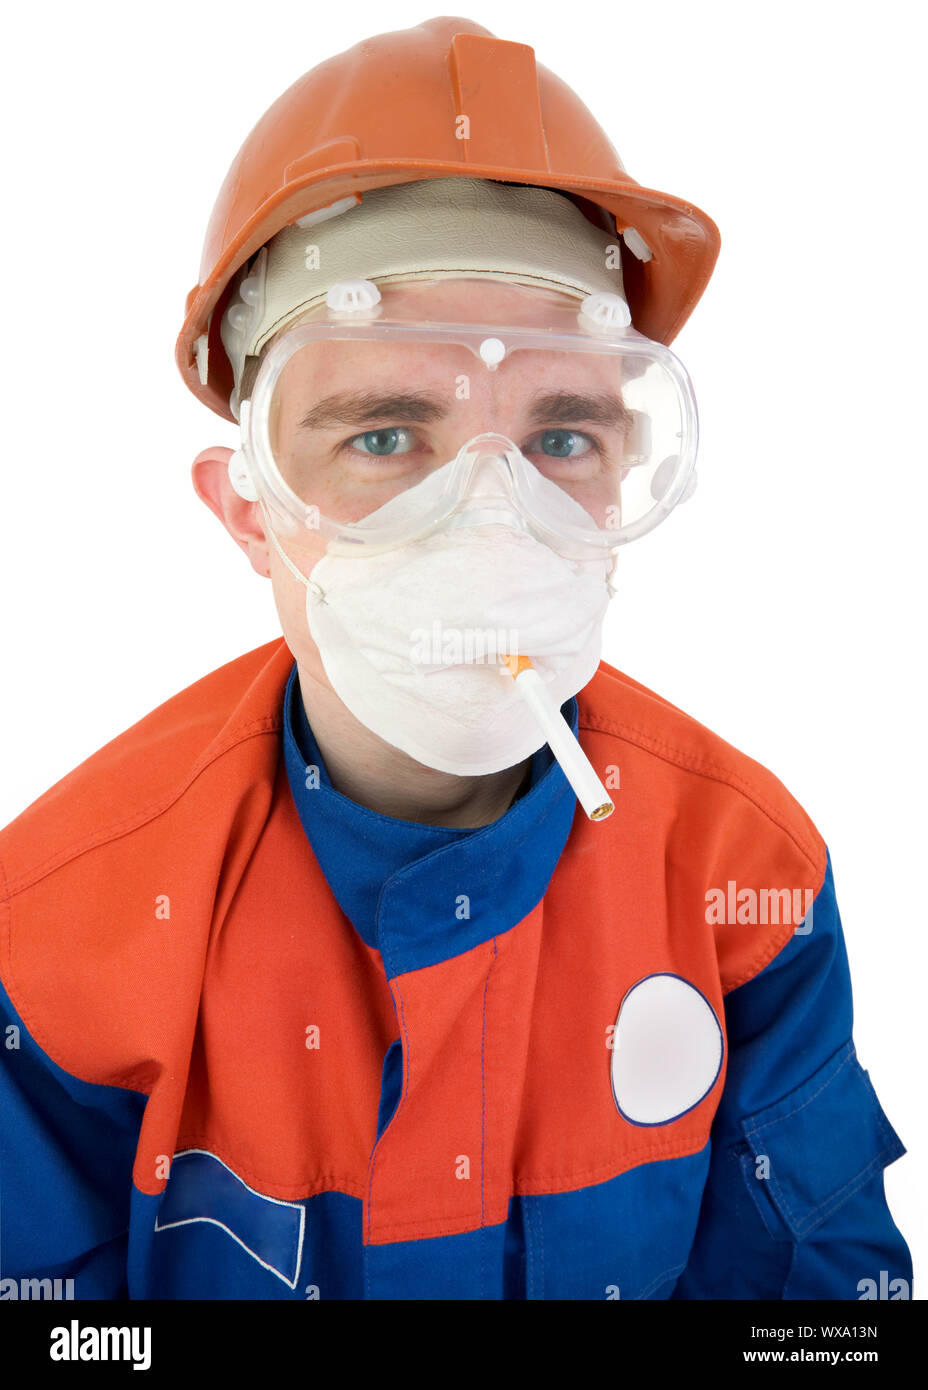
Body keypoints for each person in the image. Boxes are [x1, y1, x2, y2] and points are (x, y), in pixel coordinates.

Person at [0, 16, 912, 1302]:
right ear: (248, 510)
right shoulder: (56, 934)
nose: (492, 519)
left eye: (561, 437)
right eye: (383, 436)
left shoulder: (743, 874)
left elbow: (815, 1316)